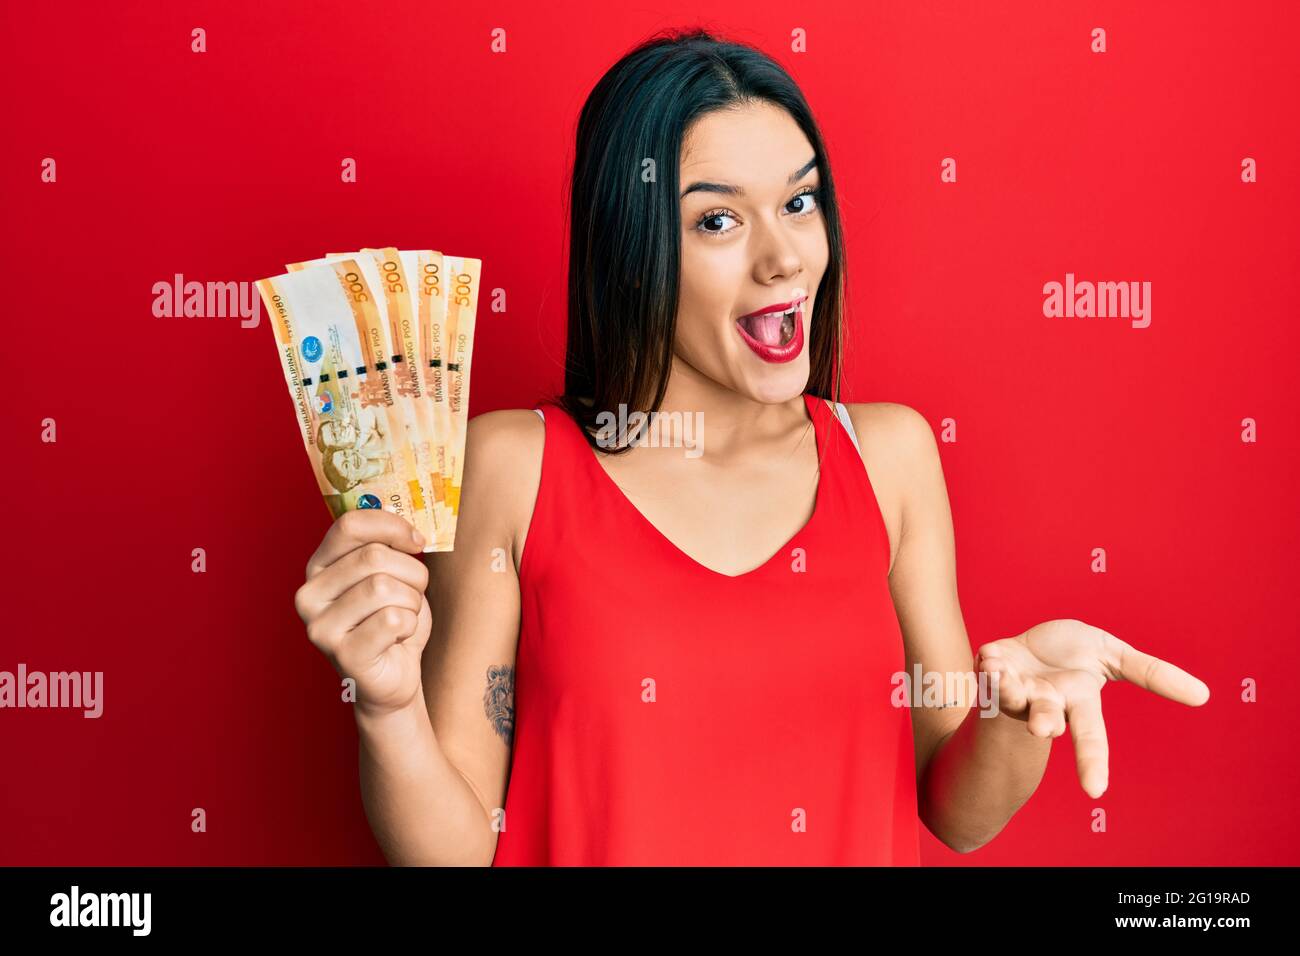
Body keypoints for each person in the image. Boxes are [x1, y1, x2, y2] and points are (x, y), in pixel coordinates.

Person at [291, 29, 1209, 866]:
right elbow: (450, 854)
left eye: (800, 201)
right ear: (631, 247)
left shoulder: (889, 459)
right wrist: (387, 704)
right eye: (718, 220)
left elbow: (954, 811)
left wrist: (1014, 721)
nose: (785, 258)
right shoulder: (516, 467)